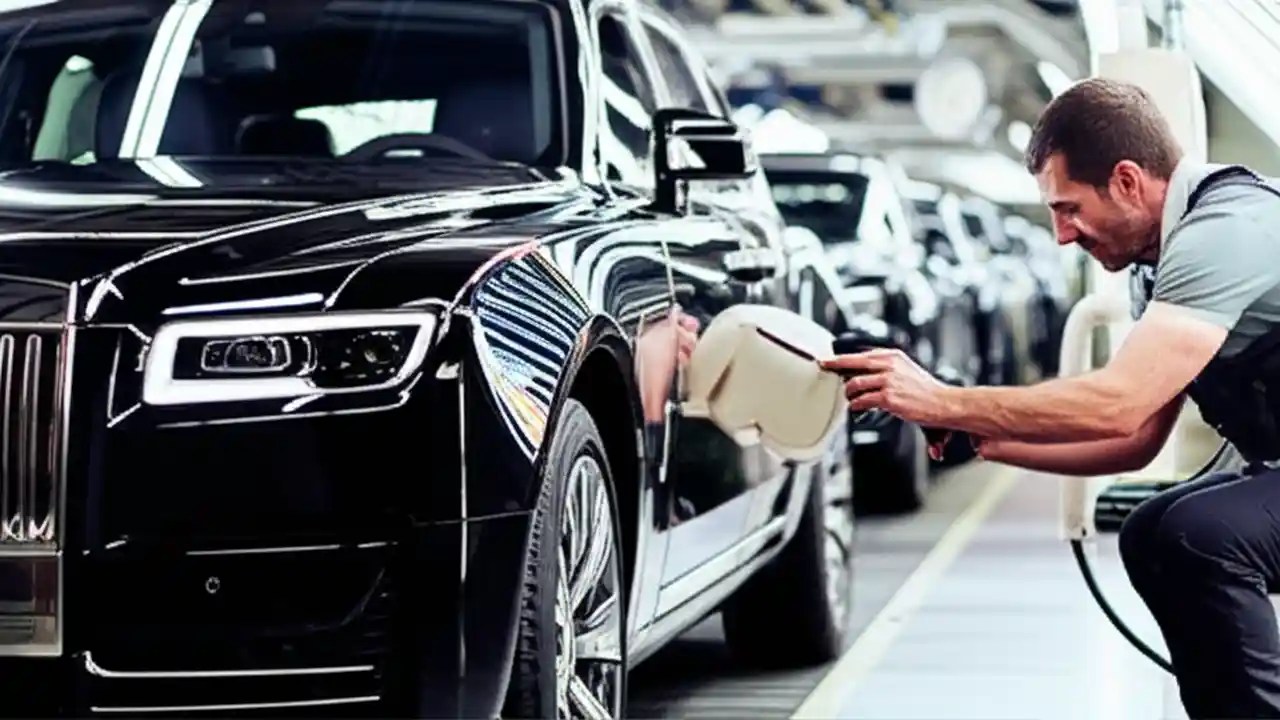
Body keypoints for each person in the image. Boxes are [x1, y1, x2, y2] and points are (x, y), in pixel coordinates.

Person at [821, 76, 1280, 719]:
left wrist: (944, 399)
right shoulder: (1157, 263)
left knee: (1195, 535)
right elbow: (1134, 438)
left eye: (1069, 208)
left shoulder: (1226, 231)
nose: (1064, 235)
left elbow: (1116, 402)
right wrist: (989, 442)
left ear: (1126, 181)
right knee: (1150, 532)